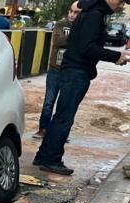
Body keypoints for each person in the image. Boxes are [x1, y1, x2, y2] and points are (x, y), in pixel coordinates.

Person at [33, 0, 130, 175]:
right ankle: (51, 159)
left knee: (61, 116)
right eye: (121, 0)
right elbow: (87, 48)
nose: (122, 5)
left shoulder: (93, 13)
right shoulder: (95, 15)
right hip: (76, 72)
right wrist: (116, 56)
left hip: (74, 71)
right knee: (64, 118)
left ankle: (44, 156)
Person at [33, 1, 81, 139]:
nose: (72, 15)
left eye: (76, 12)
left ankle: (59, 133)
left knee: (65, 104)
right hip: (55, 70)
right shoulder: (61, 24)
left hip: (70, 71)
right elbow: (58, 41)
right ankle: (43, 129)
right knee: (49, 101)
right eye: (71, 11)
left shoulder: (83, 27)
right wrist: (75, 35)